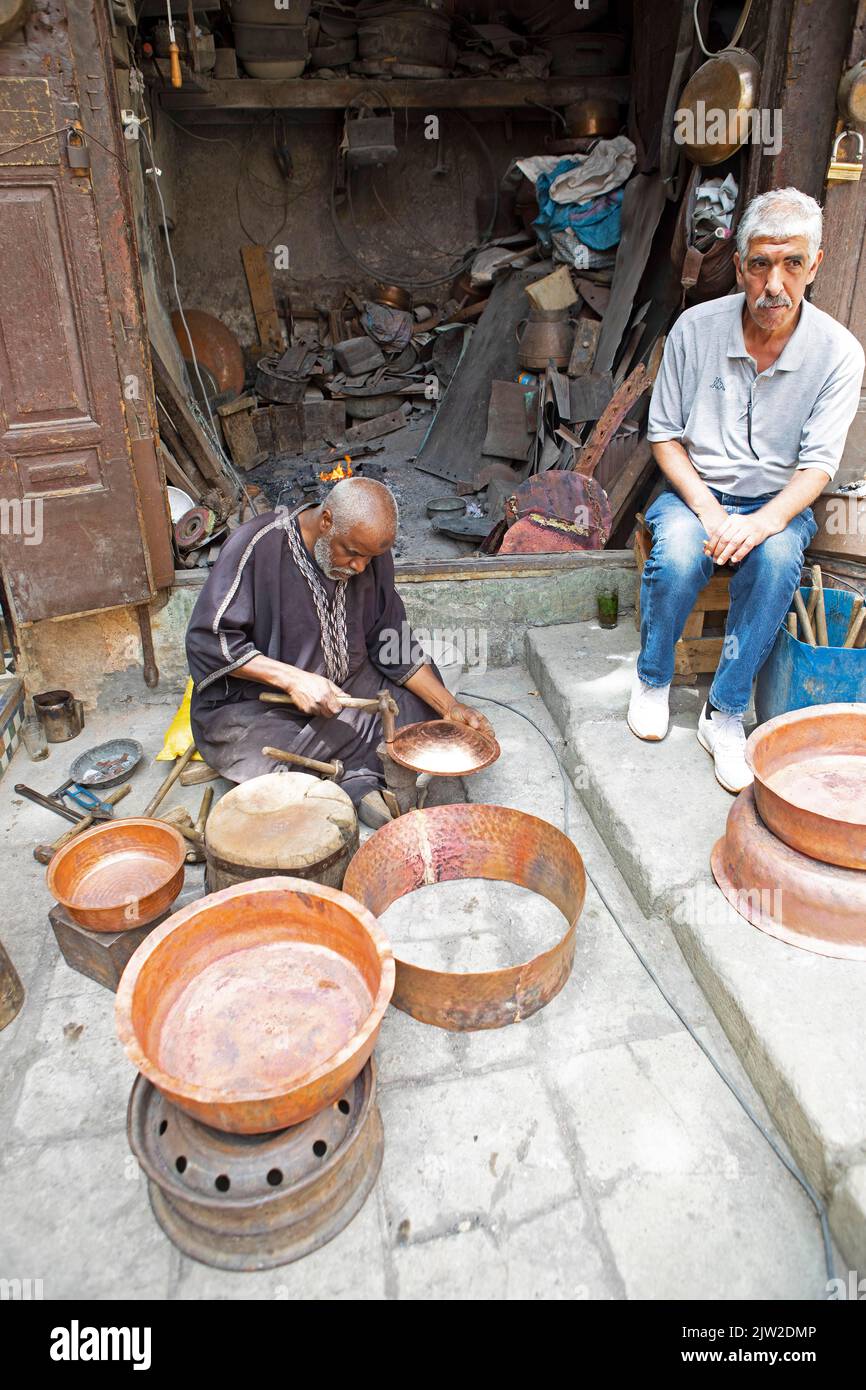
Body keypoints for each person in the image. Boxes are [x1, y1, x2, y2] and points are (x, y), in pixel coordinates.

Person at [628, 187, 864, 792]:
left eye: (791, 264)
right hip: (695, 491)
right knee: (679, 554)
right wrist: (709, 512)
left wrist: (759, 524)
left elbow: (817, 469)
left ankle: (725, 711)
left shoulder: (838, 353)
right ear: (739, 267)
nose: (773, 285)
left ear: (815, 265)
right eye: (760, 264)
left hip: (775, 503)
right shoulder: (695, 329)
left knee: (779, 558)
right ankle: (653, 678)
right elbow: (664, 438)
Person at [186, 477, 493, 826]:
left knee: (421, 704)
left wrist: (449, 706)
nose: (361, 567)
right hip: (264, 704)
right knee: (259, 751)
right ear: (326, 521)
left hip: (350, 689)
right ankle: (360, 780)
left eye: (370, 557)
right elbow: (208, 640)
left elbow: (391, 640)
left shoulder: (370, 555)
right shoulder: (257, 545)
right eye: (353, 553)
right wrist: (293, 679)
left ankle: (346, 777)